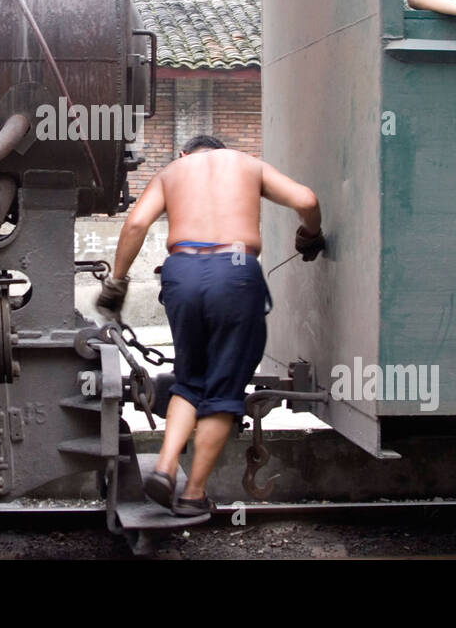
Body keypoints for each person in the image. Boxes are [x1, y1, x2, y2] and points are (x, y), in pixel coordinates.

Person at [93, 134, 324, 516]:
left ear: (185, 154)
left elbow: (135, 224)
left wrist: (117, 281)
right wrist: (310, 235)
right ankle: (192, 494)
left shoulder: (172, 171)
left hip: (181, 270)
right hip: (234, 270)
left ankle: (166, 469)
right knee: (224, 387)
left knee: (189, 378)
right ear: (223, 153)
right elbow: (307, 201)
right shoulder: (247, 165)